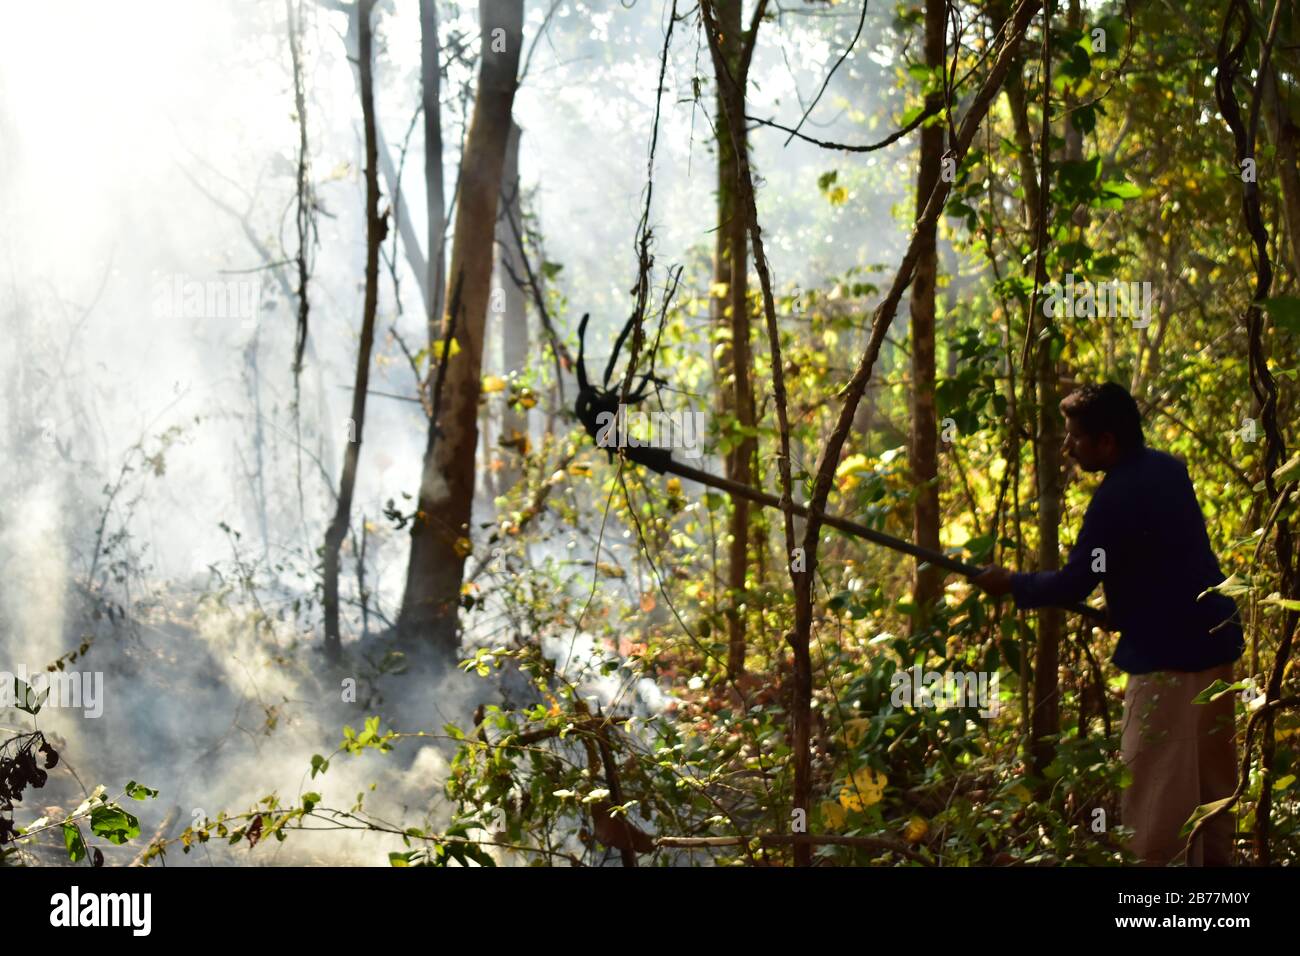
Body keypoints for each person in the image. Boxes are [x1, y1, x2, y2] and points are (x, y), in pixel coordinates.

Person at [972, 382, 1243, 866]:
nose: (1067, 448)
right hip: (1215, 645)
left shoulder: (1115, 497)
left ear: (1108, 442)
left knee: (1155, 798)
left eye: (1076, 438)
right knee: (1211, 791)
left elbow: (1076, 583)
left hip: (1171, 663)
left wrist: (1011, 583)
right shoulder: (1168, 470)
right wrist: (1131, 603)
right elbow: (1167, 558)